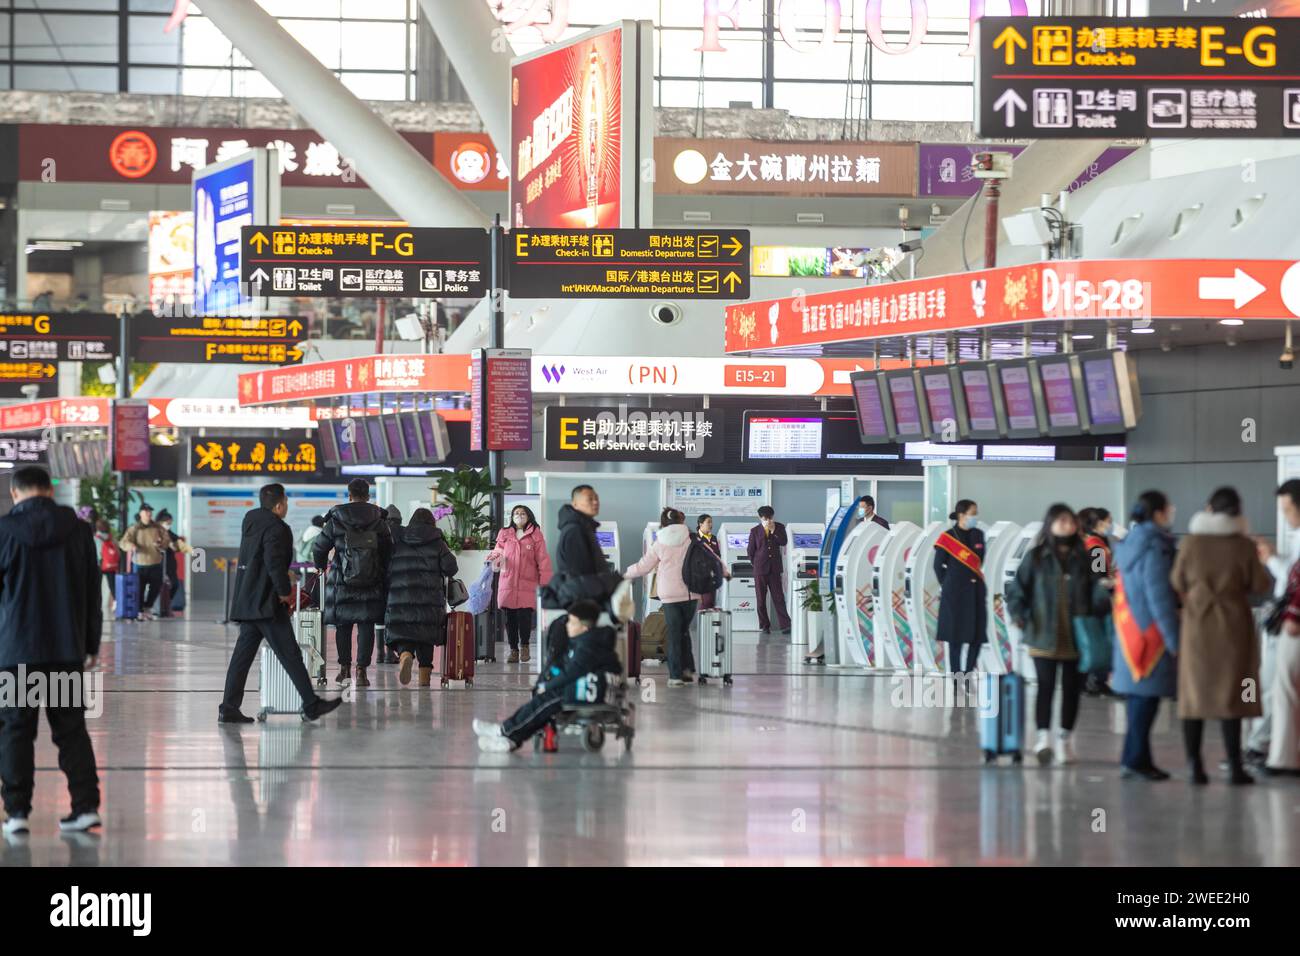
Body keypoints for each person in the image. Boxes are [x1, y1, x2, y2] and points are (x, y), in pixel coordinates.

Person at [0, 467, 103, 835]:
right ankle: (85, 807)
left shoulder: (4, 531)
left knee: (14, 730)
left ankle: (16, 814)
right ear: (50, 490)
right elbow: (92, 593)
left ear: (16, 494)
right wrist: (90, 643)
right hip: (64, 649)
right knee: (72, 730)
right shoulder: (78, 530)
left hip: (15, 654)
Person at [1171, 486, 1274, 785]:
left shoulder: (1191, 543)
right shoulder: (1242, 545)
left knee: (1194, 697)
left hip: (1197, 626)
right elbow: (1259, 583)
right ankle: (1235, 768)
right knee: (1235, 697)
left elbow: (1176, 579)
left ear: (1209, 509)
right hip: (1234, 627)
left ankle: (1195, 767)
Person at [219, 483, 343, 725]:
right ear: (278, 505)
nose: (286, 506)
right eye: (285, 502)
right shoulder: (278, 528)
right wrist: (285, 593)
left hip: (249, 599)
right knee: (290, 653)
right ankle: (310, 704)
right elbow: (274, 562)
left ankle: (229, 707)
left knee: (242, 656)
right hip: (267, 602)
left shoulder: (251, 521)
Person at [1006, 503, 1110, 766]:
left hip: (1077, 635)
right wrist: (1020, 615)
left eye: (1070, 521)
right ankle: (1043, 739)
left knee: (1072, 690)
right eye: (1061, 521)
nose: (1067, 525)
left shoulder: (1084, 557)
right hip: (1043, 635)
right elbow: (1018, 590)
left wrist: (1103, 602)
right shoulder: (1036, 557)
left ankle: (1065, 740)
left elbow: (1096, 589)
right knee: (1046, 688)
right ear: (1050, 523)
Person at [473, 599, 621, 752]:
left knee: (545, 700)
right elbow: (568, 668)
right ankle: (510, 739)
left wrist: (547, 686)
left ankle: (505, 732)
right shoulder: (583, 641)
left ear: (584, 627)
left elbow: (571, 673)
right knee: (541, 704)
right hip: (584, 686)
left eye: (572, 622)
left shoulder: (589, 645)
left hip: (592, 690)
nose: (567, 625)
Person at [1112, 491, 1180, 781]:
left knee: (1140, 702)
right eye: (1168, 507)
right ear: (1158, 513)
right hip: (1149, 636)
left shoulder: (1132, 542)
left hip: (1132, 633)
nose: (1172, 511)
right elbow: (1159, 597)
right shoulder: (1153, 547)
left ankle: (1136, 758)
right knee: (1145, 702)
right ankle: (1136, 761)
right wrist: (1175, 638)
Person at [624, 508, 720, 687]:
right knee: (683, 632)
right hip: (691, 592)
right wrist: (725, 572)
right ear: (681, 521)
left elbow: (643, 567)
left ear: (663, 523)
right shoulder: (692, 539)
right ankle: (687, 670)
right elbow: (712, 557)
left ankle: (676, 675)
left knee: (675, 634)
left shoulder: (660, 543)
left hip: (669, 594)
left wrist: (626, 574)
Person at [312, 478, 393, 688]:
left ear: (349, 495)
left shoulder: (335, 520)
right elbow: (388, 550)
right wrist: (379, 568)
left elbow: (319, 547)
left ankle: (344, 669)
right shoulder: (379, 520)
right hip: (372, 581)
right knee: (366, 625)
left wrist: (321, 566)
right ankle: (362, 671)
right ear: (368, 496)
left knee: (343, 625)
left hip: (342, 581)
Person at [540, 485, 627, 668]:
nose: (595, 502)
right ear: (575, 503)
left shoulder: (584, 527)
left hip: (587, 596)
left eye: (596, 498)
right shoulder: (574, 531)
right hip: (582, 601)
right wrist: (610, 582)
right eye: (590, 499)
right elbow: (579, 574)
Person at [384, 508, 458, 687]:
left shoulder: (397, 538)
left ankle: (405, 655)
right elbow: (451, 568)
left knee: (403, 633)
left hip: (400, 594)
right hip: (429, 597)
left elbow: (385, 563)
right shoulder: (437, 541)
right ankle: (424, 676)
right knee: (426, 635)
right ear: (431, 522)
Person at [487, 504, 553, 664]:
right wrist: (493, 558)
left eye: (522, 513)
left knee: (524, 617)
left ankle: (524, 646)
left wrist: (545, 584)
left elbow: (543, 560)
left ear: (529, 516)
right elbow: (498, 551)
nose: (519, 515)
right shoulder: (505, 534)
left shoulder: (535, 535)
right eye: (516, 513)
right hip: (508, 581)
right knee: (510, 619)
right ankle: (513, 650)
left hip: (528, 584)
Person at [1265, 479, 1300, 777]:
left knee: (1284, 690)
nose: (1286, 516)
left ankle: (1283, 759)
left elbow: (1295, 582)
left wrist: (1293, 615)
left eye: (1287, 509)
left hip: (1294, 626)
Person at [933, 499, 985, 676]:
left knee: (976, 637)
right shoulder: (948, 537)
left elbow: (979, 561)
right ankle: (957, 677)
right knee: (954, 638)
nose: (975, 517)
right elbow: (938, 565)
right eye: (973, 513)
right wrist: (947, 584)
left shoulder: (978, 534)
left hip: (976, 592)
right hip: (955, 594)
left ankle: (969, 673)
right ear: (962, 515)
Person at [1077, 507, 1119, 697]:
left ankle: (1092, 680)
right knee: (1099, 641)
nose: (1111, 525)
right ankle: (1094, 681)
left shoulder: (1096, 542)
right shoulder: (1096, 545)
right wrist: (1113, 582)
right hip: (1098, 600)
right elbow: (1098, 575)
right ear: (1099, 523)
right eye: (1108, 521)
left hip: (1092, 599)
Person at [747, 505, 791, 635]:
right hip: (760, 569)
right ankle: (765, 625)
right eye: (765, 518)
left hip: (774, 568)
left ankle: (785, 625)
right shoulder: (755, 531)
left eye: (770, 517)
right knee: (761, 599)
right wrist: (756, 564)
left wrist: (773, 531)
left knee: (779, 597)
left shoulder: (780, 527)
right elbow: (750, 551)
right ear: (760, 517)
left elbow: (783, 542)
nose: (768, 520)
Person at [119, 503, 166, 621]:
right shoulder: (134, 528)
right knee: (138, 589)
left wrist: (161, 544)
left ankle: (148, 607)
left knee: (156, 586)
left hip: (155, 562)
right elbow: (123, 542)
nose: (149, 513)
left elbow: (166, 540)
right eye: (146, 511)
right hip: (140, 563)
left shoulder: (158, 527)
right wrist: (132, 545)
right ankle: (139, 610)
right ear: (140, 513)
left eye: (150, 511)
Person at [156, 509, 191, 616]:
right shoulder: (154, 533)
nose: (169, 526)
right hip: (158, 564)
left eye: (170, 524)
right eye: (167, 523)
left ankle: (167, 605)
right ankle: (158, 608)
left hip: (170, 564)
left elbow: (179, 544)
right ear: (161, 522)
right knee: (158, 586)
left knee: (174, 584)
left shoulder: (170, 534)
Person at [695, 514, 723, 611]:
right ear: (701, 524)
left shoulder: (713, 538)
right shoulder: (695, 538)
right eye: (708, 522)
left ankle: (706, 625)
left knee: (711, 602)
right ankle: (702, 624)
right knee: (706, 601)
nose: (711, 524)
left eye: (711, 522)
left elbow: (718, 555)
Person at [94, 519, 119, 614]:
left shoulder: (95, 538)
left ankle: (97, 604)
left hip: (98, 564)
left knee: (96, 586)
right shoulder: (112, 538)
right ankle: (116, 603)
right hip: (110, 565)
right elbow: (117, 552)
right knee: (112, 585)